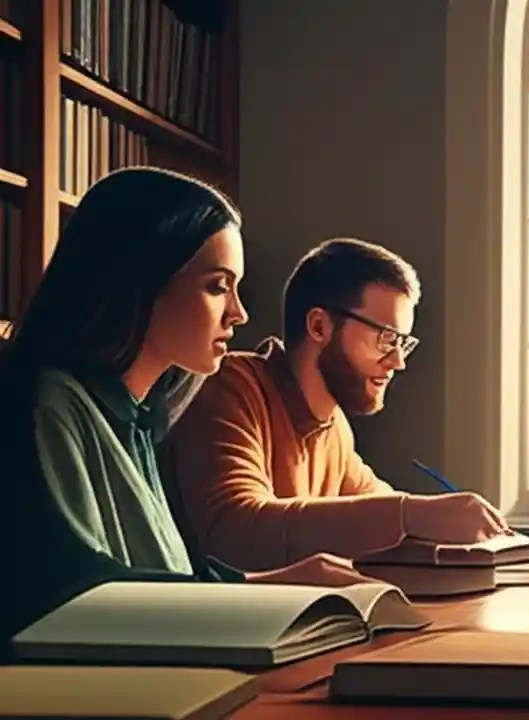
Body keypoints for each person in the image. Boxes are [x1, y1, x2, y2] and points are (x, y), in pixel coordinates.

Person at [0, 168, 371, 644]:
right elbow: (68, 593)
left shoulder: (141, 419)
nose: (238, 313)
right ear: (140, 280)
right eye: (217, 286)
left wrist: (272, 583)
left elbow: (163, 579)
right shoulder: (50, 404)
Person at [163, 238, 508, 572]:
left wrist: (447, 524)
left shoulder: (333, 426)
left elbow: (375, 508)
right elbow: (234, 531)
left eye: (402, 343)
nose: (398, 361)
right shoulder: (231, 386)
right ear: (319, 326)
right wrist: (413, 514)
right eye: (386, 338)